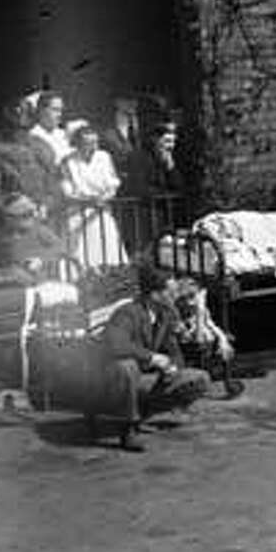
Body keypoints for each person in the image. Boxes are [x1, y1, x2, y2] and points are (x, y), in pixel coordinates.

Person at [95, 260, 212, 451]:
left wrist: (173, 368)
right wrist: (152, 357)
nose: (175, 295)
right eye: (170, 291)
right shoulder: (128, 312)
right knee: (127, 366)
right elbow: (115, 345)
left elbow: (173, 349)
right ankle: (128, 429)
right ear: (155, 294)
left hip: (143, 377)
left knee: (199, 379)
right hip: (113, 379)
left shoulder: (164, 314)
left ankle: (144, 412)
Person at [60, 121, 127, 270]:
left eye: (96, 142)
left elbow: (113, 183)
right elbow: (67, 191)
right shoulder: (68, 162)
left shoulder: (104, 157)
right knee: (82, 257)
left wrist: (105, 198)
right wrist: (89, 200)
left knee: (108, 253)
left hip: (102, 213)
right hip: (78, 214)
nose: (94, 147)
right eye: (88, 143)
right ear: (77, 143)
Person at [0, 94, 60, 214]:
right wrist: (13, 207)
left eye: (24, 128)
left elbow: (53, 185)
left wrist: (46, 205)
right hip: (10, 221)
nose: (20, 132)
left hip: (41, 217)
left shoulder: (43, 149)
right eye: (15, 127)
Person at [29, 90, 72, 174]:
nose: (59, 114)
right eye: (55, 110)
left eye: (61, 110)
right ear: (41, 111)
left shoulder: (63, 134)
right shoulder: (32, 136)